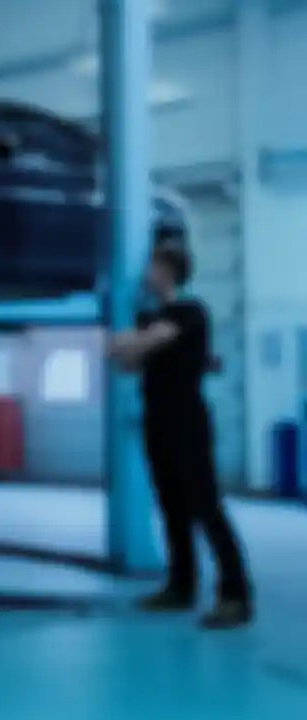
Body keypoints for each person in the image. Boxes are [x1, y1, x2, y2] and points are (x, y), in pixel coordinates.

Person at [109, 242, 253, 630]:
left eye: (153, 264)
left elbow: (137, 346)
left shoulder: (189, 312)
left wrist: (130, 342)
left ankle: (236, 596)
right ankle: (180, 587)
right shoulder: (155, 318)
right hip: (157, 421)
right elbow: (124, 362)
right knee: (171, 506)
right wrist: (129, 344)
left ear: (169, 270)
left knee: (206, 506)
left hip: (188, 422)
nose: (146, 272)